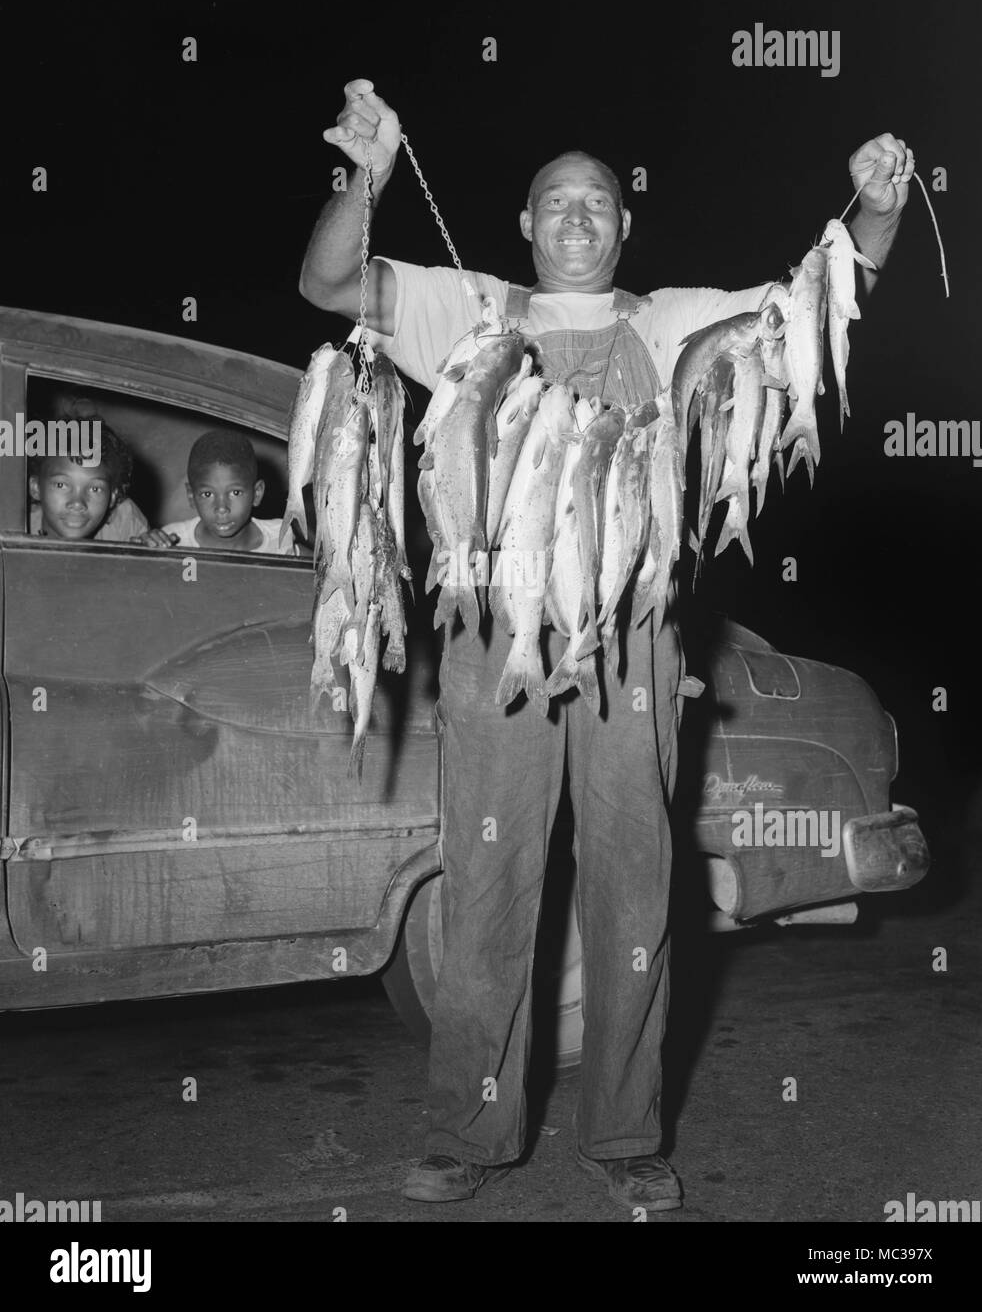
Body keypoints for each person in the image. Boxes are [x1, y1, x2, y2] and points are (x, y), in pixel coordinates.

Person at [298, 78, 915, 1213]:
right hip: (497, 631)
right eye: (554, 203)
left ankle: (625, 1132)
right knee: (486, 882)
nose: (576, 217)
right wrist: (367, 180)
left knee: (635, 881)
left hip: (632, 636)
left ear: (624, 224)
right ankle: (468, 1133)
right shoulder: (471, 310)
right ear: (525, 227)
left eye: (596, 202)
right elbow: (330, 281)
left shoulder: (674, 319)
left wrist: (871, 211)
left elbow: (812, 305)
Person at [139, 430, 299, 554]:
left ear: (257, 493)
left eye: (235, 493)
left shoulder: (279, 537)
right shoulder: (174, 541)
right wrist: (141, 550)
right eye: (207, 494)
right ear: (191, 496)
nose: (221, 508)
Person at [28, 420, 144, 541]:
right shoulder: (14, 524)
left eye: (95, 489)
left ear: (112, 497)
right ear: (36, 487)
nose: (78, 503)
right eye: (61, 485)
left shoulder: (126, 524)